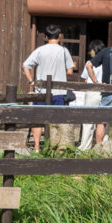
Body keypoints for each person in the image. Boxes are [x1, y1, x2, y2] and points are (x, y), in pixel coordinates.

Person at [22, 24, 76, 153]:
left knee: (38, 119)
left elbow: (25, 65)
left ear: (46, 37)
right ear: (60, 36)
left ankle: (36, 147)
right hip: (58, 91)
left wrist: (31, 81)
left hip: (41, 91)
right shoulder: (64, 51)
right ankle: (54, 147)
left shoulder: (40, 50)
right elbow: (70, 72)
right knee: (57, 120)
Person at [75, 39, 105, 150]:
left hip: (92, 93)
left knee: (88, 121)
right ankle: (102, 146)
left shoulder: (90, 63)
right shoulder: (106, 64)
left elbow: (85, 80)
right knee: (102, 121)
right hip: (104, 93)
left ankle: (85, 147)